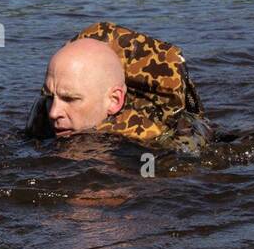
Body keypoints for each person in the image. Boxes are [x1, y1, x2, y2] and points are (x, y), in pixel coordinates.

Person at [26, 22, 213, 153]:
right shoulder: (41, 125)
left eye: (70, 99)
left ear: (114, 100)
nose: (53, 112)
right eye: (50, 97)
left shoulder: (152, 146)